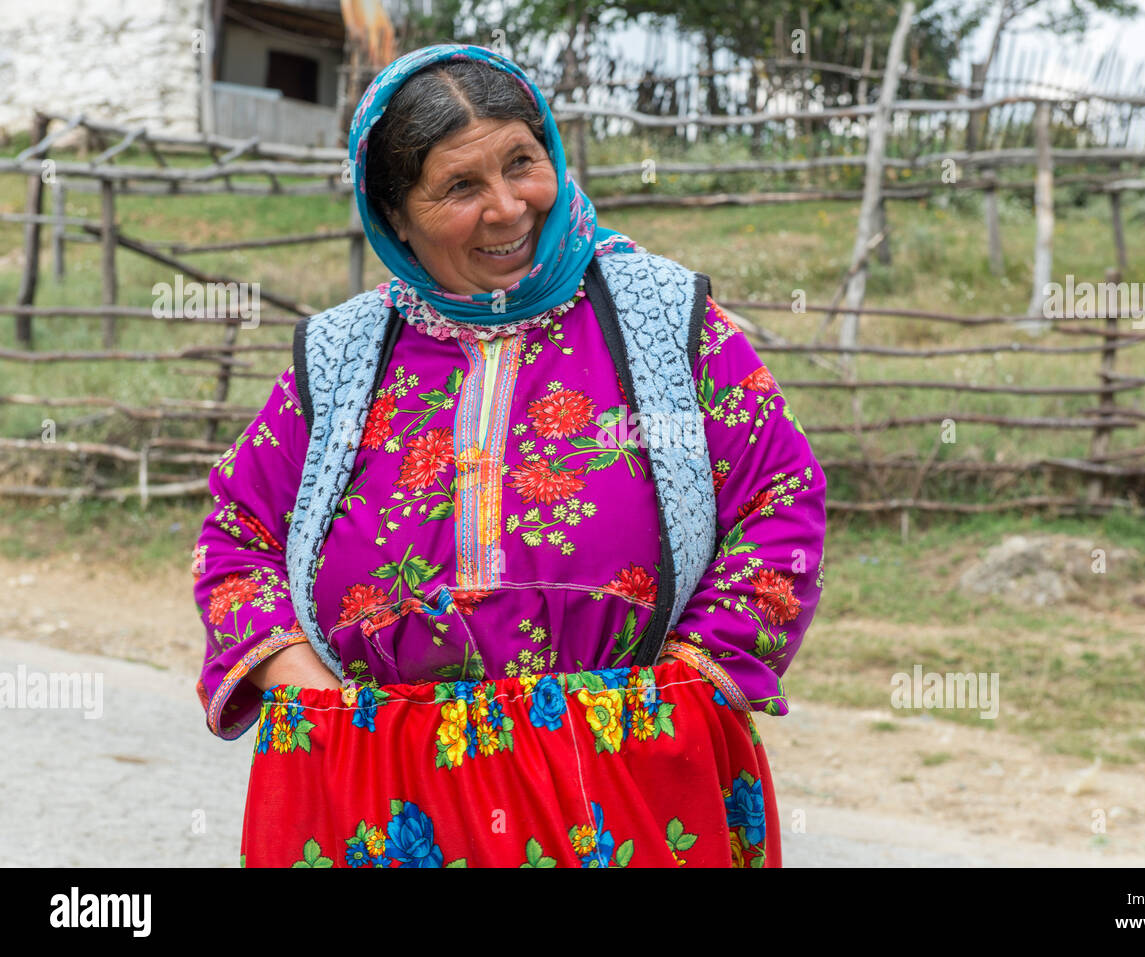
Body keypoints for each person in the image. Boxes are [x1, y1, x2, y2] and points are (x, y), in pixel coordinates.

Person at [193, 43, 826, 868]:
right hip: (383, 786)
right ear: (394, 217)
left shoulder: (667, 318)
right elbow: (237, 534)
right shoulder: (341, 355)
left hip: (627, 768)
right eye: (460, 186)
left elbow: (778, 494)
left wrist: (696, 680)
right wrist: (309, 689)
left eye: (522, 163)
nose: (507, 207)